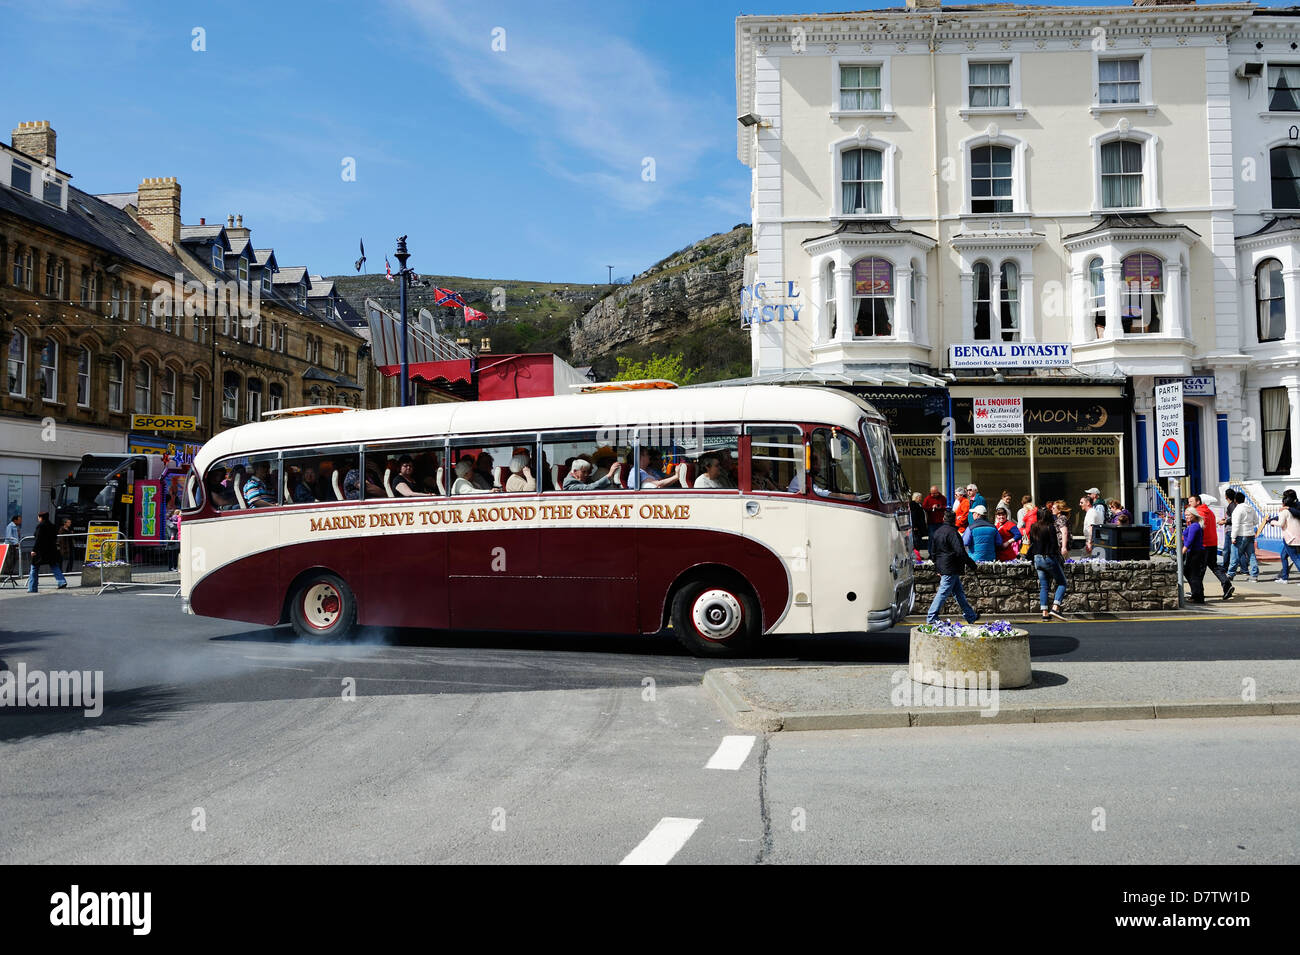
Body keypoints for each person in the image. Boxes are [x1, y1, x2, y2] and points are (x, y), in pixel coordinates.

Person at [926, 509, 979, 625]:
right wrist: (971, 564)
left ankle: (970, 616)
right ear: (954, 520)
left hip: (944, 567)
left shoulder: (937, 532)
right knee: (943, 592)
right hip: (952, 567)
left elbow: (933, 553)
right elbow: (960, 552)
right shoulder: (953, 533)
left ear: (943, 519)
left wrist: (938, 568)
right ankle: (931, 617)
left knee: (958, 593)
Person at [1189, 494, 1233, 600]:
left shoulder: (1198, 513)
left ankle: (1197, 593)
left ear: (1198, 502)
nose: (1189, 503)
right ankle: (1226, 584)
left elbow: (1196, 529)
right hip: (1213, 543)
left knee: (1199, 570)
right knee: (1214, 566)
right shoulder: (1210, 512)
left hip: (1203, 544)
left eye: (1191, 501)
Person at [1028, 509, 1068, 620]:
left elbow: (1032, 543)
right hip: (1048, 557)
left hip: (1037, 558)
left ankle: (1045, 612)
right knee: (1062, 583)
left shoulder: (1033, 527)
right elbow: (1054, 545)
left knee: (1044, 586)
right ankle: (1055, 608)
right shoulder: (1050, 527)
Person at [27, 511, 67, 592]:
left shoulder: (40, 526)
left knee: (34, 568)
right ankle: (61, 581)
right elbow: (55, 537)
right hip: (51, 549)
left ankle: (32, 588)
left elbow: (38, 539)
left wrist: (34, 550)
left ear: (40, 517)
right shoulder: (52, 526)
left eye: (38, 517)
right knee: (54, 565)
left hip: (40, 551)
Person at [1267, 488, 1300, 582]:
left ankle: (1284, 577)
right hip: (1292, 537)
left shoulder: (1297, 506)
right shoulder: (1289, 508)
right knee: (1284, 556)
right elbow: (1282, 517)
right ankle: (1284, 577)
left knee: (1295, 558)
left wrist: (1287, 508)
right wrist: (1271, 520)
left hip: (1292, 537)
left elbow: (1284, 519)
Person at [1226, 490, 1259, 582]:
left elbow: (1235, 524)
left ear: (1235, 500)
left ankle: (1230, 574)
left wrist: (1233, 537)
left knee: (1235, 555)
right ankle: (1254, 575)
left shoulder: (1237, 510)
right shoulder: (1251, 508)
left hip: (1240, 534)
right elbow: (1256, 521)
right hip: (1250, 534)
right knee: (1251, 555)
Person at [1182, 506, 1207, 604]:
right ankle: (1197, 594)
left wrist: (1182, 552)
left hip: (1195, 553)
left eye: (1188, 515)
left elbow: (1189, 542)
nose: (1187, 517)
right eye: (1186, 515)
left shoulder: (1194, 526)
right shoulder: (1193, 525)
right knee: (1191, 574)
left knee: (1193, 575)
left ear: (1194, 515)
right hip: (1194, 553)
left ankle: (1198, 596)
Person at [1081, 493, 1104, 557]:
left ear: (1088, 503)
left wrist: (1089, 542)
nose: (1080, 504)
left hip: (1093, 543)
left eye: (1081, 502)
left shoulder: (1091, 512)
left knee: (1084, 562)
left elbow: (1092, 527)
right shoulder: (1090, 512)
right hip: (1093, 542)